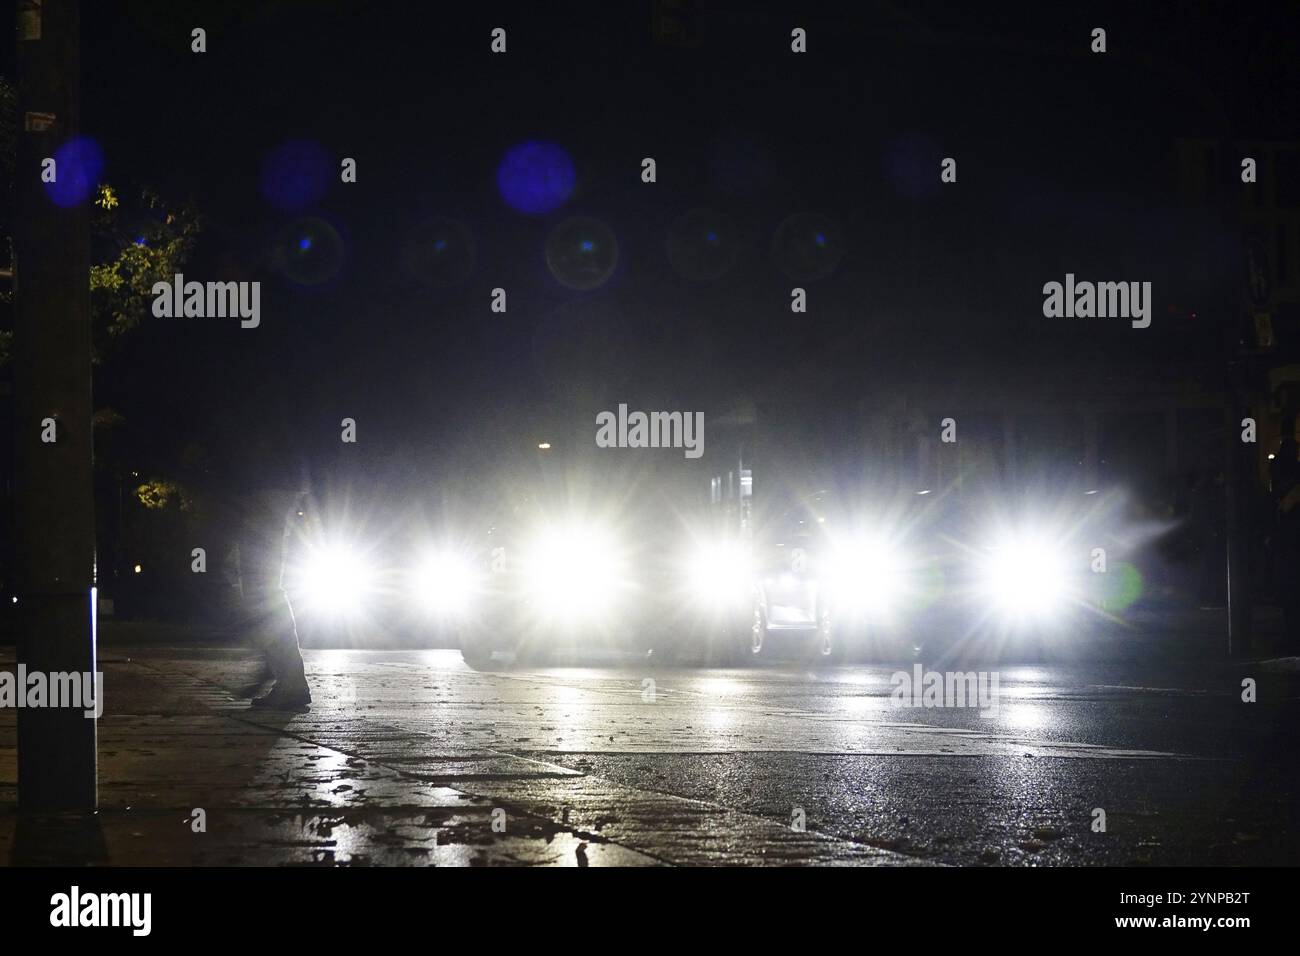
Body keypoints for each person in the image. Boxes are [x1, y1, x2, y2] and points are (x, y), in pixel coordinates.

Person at [236, 486, 312, 709]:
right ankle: (286, 677)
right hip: (265, 492)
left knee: (263, 591)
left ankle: (290, 682)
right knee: (261, 591)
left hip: (263, 493)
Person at [1271, 413, 1300, 651]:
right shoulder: (1292, 470)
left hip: (1287, 542)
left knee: (1289, 591)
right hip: (1290, 542)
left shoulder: (1279, 467)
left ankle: (1291, 635)